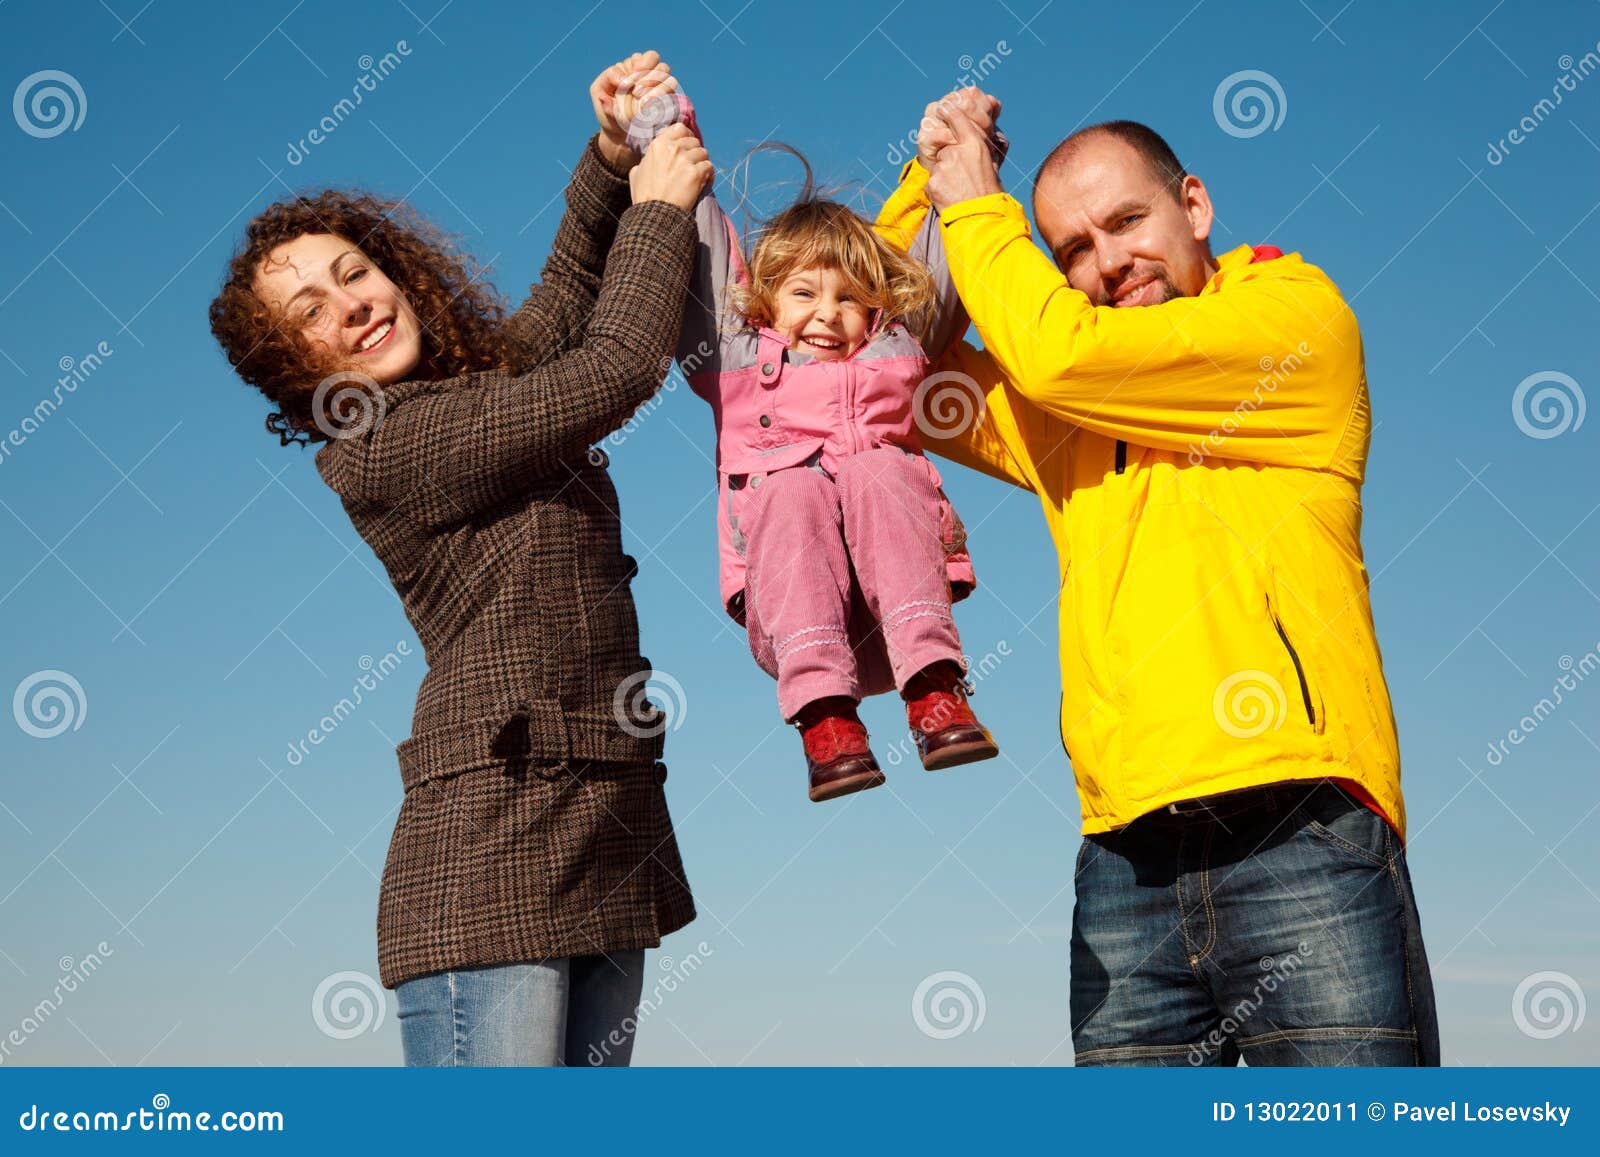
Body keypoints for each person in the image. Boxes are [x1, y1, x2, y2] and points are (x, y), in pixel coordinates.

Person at [877, 88, 1438, 1065]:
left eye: (1126, 220)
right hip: (1123, 858)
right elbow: (878, 364)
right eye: (1072, 250)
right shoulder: (1072, 396)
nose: (1107, 259)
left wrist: (977, 207)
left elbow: (1053, 352)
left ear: (1195, 206)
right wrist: (929, 183)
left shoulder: (1294, 323)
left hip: (1302, 826)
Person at [207, 52, 712, 1066]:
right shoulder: (380, 447)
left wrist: (613, 156)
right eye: (306, 311)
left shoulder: (471, 399)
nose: (346, 303)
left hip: (609, 814)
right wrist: (658, 212)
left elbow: (568, 292)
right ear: (292, 367)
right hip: (488, 844)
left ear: (399, 273)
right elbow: (610, 367)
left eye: (353, 271)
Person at [623, 90, 1000, 802]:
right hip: (795, 612)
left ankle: (936, 695)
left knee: (878, 467)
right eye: (803, 294)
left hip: (904, 608)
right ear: (765, 303)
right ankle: (828, 725)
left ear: (875, 309)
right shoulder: (735, 363)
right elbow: (702, 250)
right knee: (790, 487)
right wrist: (665, 129)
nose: (827, 313)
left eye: (848, 297)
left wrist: (962, 148)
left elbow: (948, 253)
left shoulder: (898, 351)